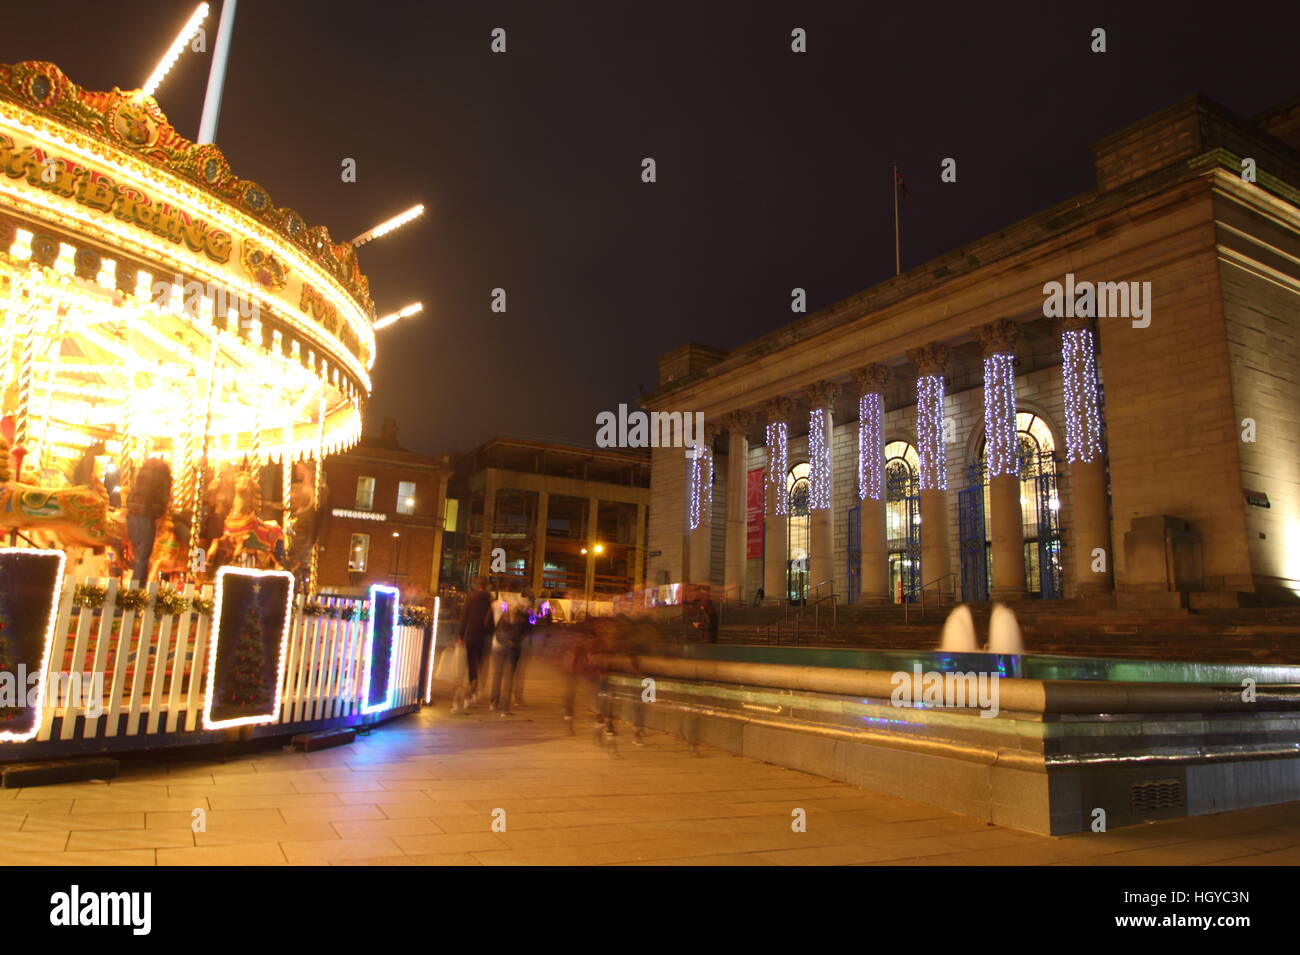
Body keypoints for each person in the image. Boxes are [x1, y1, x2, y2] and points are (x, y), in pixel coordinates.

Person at [125, 458, 171, 584]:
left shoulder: (141, 476)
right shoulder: (161, 477)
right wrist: (160, 513)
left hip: (132, 515)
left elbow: (131, 495)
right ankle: (138, 587)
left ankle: (135, 582)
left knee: (138, 554)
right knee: (143, 556)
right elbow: (162, 498)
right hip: (147, 516)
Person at [489, 590, 533, 717]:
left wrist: (504, 641)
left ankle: (493, 703)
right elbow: (526, 632)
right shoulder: (522, 617)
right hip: (513, 650)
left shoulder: (504, 616)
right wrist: (513, 642)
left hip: (499, 649)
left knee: (497, 676)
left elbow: (497, 632)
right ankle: (505, 707)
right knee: (509, 678)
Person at [455, 576, 495, 712]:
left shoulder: (471, 598)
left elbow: (464, 617)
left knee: (471, 665)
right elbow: (492, 621)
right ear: (487, 586)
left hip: (471, 635)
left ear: (477, 586)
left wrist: (460, 635)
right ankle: (476, 691)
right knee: (481, 664)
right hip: (484, 637)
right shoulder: (490, 600)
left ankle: (470, 694)